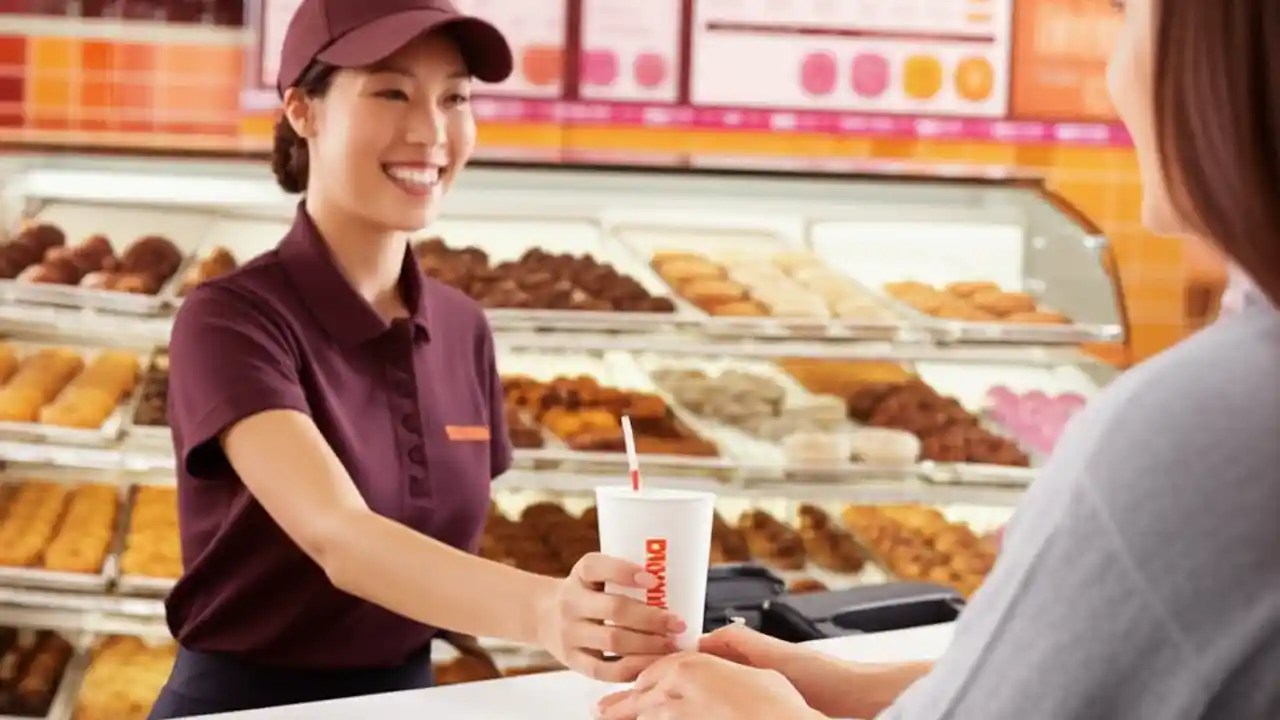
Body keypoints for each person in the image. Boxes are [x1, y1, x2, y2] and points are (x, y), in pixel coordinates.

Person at [597, 0, 1280, 717]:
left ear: (1222, 58)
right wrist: (855, 690)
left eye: (1131, 17)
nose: (1114, 74)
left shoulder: (1204, 425)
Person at [148, 1, 683, 717]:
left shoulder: (462, 327)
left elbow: (451, 538)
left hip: (412, 699)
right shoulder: (232, 320)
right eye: (392, 91)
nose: (431, 132)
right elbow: (340, 536)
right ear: (304, 110)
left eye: (455, 97)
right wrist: (544, 612)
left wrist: (606, 607)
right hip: (249, 705)